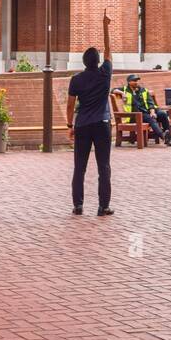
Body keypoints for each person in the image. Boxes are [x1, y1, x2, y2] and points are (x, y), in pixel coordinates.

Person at [66, 11, 114, 216]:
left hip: (83, 125)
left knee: (80, 167)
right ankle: (103, 207)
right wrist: (105, 26)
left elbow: (70, 105)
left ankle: (78, 205)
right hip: (102, 123)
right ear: (97, 61)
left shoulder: (76, 80)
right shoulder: (105, 74)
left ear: (84, 62)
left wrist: (70, 125)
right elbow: (109, 52)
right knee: (104, 167)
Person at [122, 74, 171, 147]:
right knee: (151, 119)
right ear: (129, 82)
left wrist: (152, 112)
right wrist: (121, 93)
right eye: (134, 81)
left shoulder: (143, 90)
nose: (136, 82)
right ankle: (163, 136)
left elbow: (150, 102)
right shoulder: (125, 90)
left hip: (148, 111)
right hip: (135, 115)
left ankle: (169, 138)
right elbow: (112, 90)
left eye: (137, 80)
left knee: (163, 114)